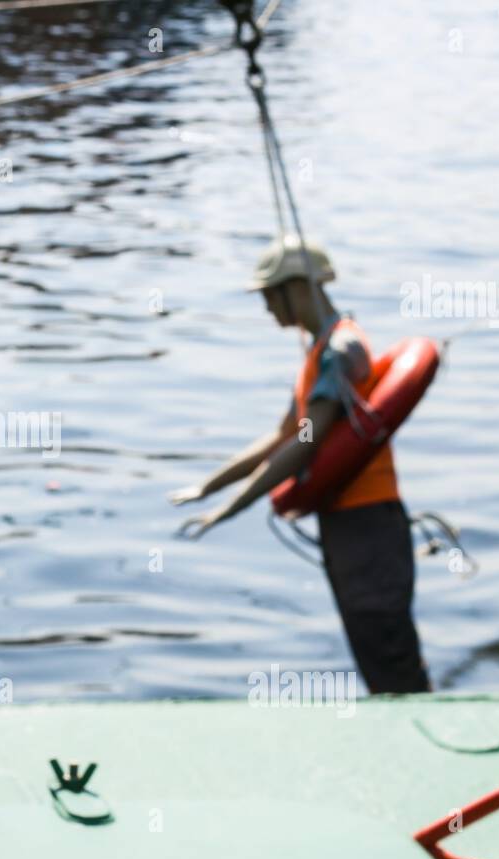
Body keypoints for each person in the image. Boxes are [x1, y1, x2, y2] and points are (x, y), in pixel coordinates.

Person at [170, 235, 431, 694]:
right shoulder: (319, 350)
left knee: (390, 658)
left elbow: (307, 440)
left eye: (271, 295)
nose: (268, 307)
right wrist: (208, 488)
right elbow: (282, 435)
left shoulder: (340, 350)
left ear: (297, 288)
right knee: (376, 657)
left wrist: (235, 506)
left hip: (368, 528)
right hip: (351, 529)